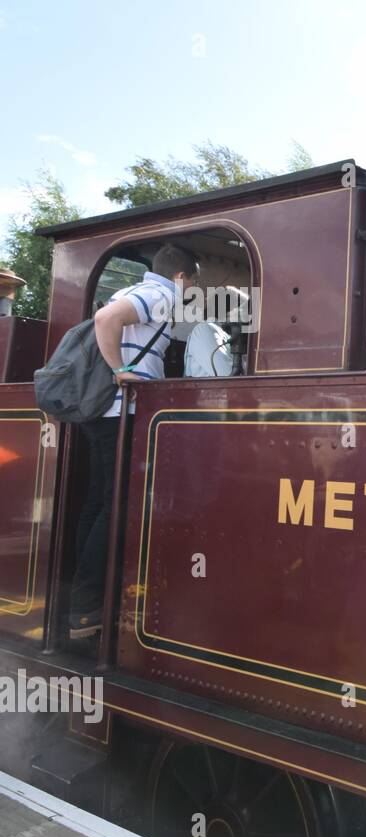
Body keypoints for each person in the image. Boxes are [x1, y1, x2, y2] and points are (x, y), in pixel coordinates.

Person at [68, 244, 199, 640]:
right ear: (181, 277)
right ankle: (86, 607)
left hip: (101, 412)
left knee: (97, 502)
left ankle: (82, 600)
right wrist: (119, 370)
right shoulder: (159, 294)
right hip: (118, 412)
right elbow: (106, 319)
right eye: (193, 284)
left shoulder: (131, 290)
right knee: (117, 504)